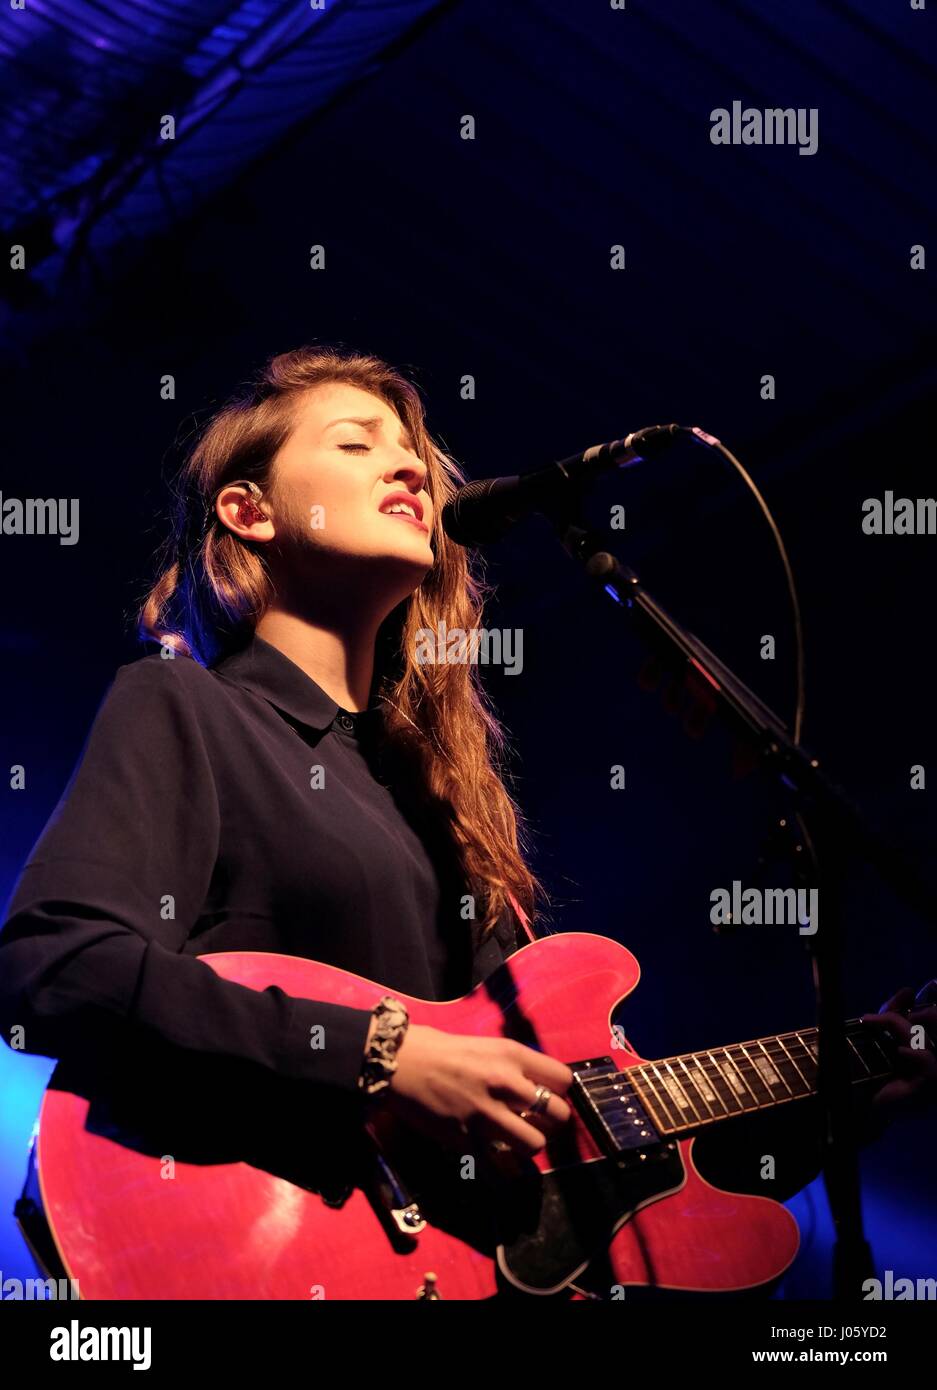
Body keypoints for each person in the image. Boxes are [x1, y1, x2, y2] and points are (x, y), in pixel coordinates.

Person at [1, 345, 934, 1292]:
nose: (410, 466)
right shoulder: (185, 708)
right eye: (358, 443)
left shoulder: (435, 802)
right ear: (251, 512)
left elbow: (604, 1172)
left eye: (412, 450)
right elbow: (54, 963)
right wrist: (379, 1055)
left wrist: (852, 1092)